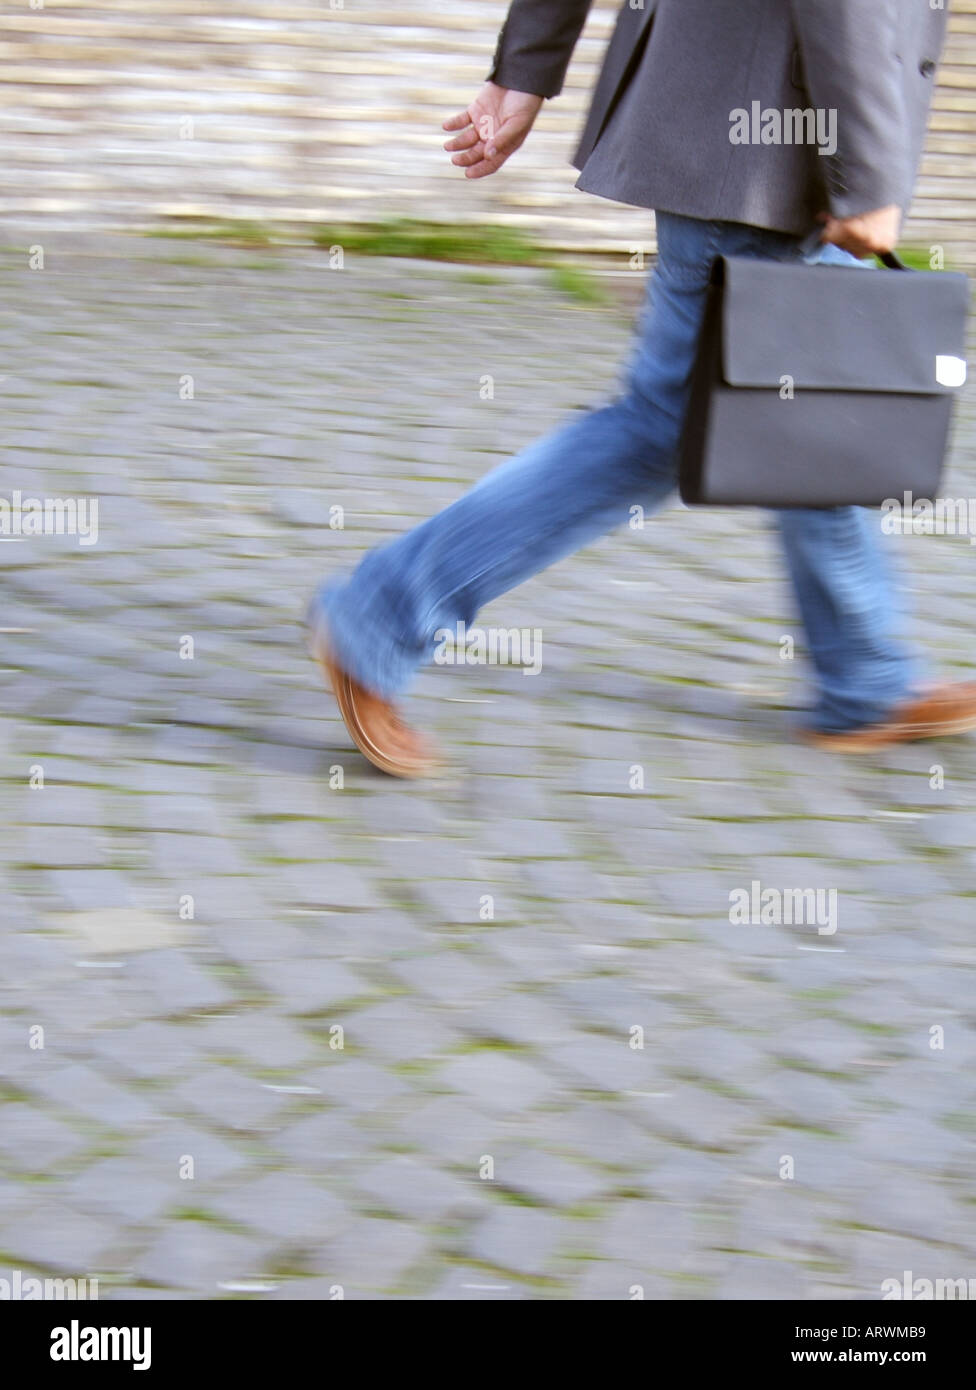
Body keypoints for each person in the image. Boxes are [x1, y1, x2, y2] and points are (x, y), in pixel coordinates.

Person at [308, 0, 975, 777]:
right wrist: (863, 170)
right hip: (774, 142)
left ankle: (865, 676)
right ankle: (378, 619)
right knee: (668, 426)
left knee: (813, 404)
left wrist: (527, 67)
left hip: (755, 129)